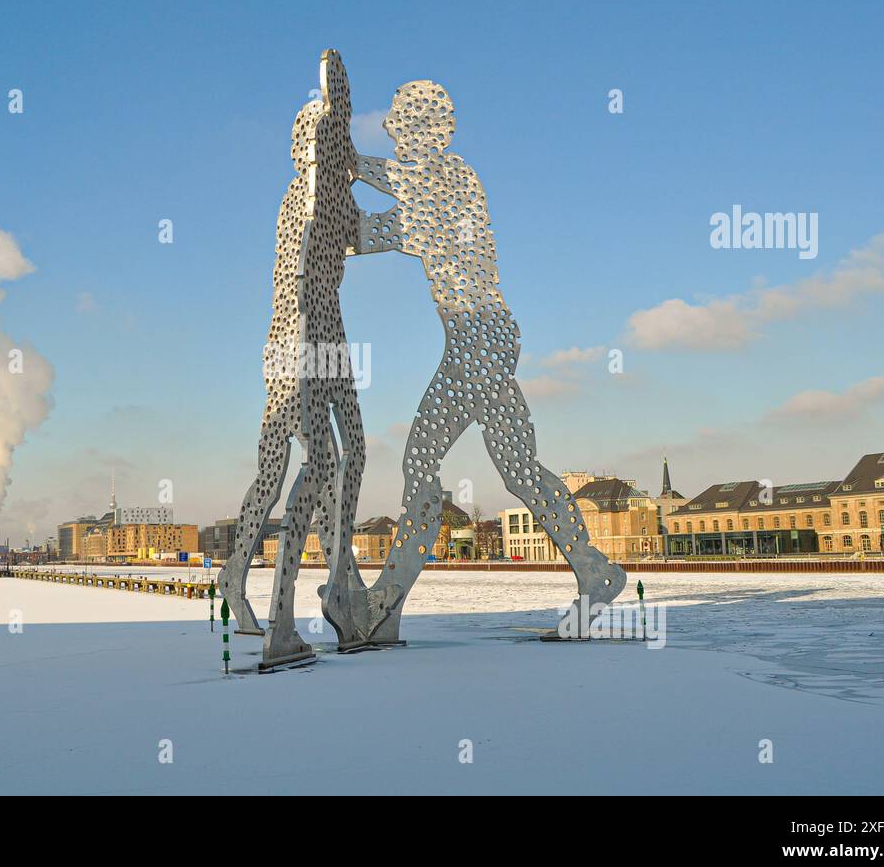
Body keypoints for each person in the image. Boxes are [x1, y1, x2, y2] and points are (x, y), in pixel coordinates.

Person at [349, 79, 626, 644]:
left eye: (404, 123)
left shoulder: (449, 179)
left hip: (480, 337)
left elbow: (383, 215)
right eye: (395, 125)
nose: (395, 132)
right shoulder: (429, 196)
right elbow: (370, 230)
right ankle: (596, 571)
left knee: (420, 460)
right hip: (483, 338)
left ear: (432, 130)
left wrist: (343, 163)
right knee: (522, 472)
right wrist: (336, 187)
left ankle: (384, 600)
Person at [216, 51, 388, 667]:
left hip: (329, 335)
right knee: (308, 464)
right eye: (317, 142)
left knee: (351, 453)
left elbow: (381, 230)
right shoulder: (303, 198)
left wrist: (384, 171)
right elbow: (297, 276)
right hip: (300, 338)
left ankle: (336, 583)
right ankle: (280, 612)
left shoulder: (334, 198)